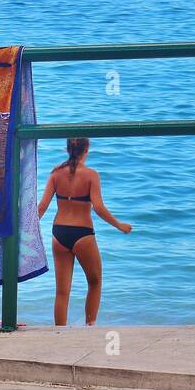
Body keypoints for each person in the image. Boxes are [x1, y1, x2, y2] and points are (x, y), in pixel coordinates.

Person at [37, 138, 131, 326]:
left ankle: (59, 333)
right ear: (86, 149)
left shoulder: (55, 174)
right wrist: (119, 225)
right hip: (83, 233)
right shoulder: (91, 175)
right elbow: (98, 207)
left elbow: (42, 207)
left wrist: (27, 231)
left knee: (62, 291)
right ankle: (90, 326)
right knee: (95, 282)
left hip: (59, 233)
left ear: (67, 149)